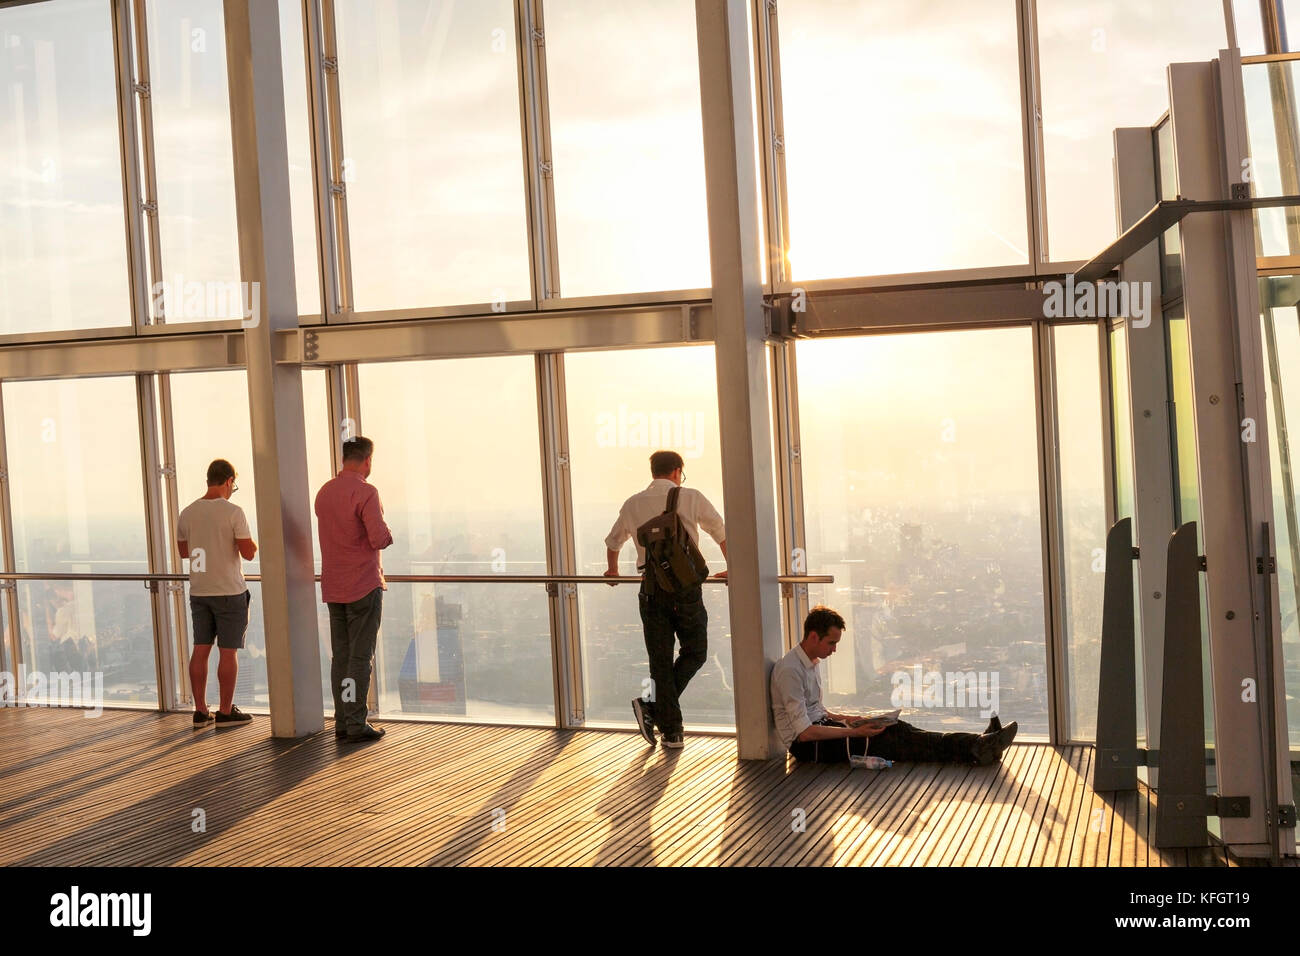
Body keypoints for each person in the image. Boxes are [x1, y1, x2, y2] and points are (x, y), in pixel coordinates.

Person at [772, 606, 1017, 765]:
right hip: (811, 748)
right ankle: (977, 746)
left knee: (898, 728)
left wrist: (853, 718)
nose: (834, 650)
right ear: (813, 636)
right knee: (895, 743)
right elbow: (805, 733)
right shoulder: (790, 671)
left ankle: (979, 744)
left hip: (824, 730)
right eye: (831, 643)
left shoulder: (811, 662)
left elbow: (819, 712)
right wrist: (854, 731)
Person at [604, 449, 727, 750]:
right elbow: (720, 530)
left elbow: (613, 541)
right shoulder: (691, 496)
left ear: (653, 471)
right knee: (695, 651)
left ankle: (672, 733)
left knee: (659, 660)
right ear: (677, 471)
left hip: (650, 590)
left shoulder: (633, 503)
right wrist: (732, 565)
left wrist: (613, 569)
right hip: (685, 588)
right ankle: (653, 710)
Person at [315, 436, 393, 743]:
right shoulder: (366, 492)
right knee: (360, 657)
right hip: (362, 584)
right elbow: (378, 538)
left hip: (334, 586)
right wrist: (388, 533)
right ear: (367, 460)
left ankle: (342, 720)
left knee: (342, 657)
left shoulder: (324, 492)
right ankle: (356, 721)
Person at [177, 459, 256, 726]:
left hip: (199, 590)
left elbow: (184, 552)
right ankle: (224, 711)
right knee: (228, 651)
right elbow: (249, 552)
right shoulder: (234, 512)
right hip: (229, 591)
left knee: (200, 649)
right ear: (229, 481)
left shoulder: (187, 512)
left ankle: (200, 711)